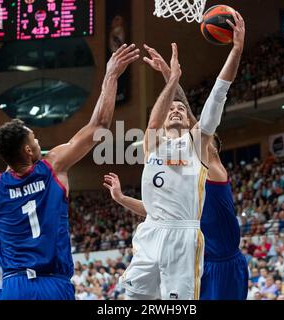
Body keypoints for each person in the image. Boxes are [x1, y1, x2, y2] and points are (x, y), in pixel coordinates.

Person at [104, 11, 246, 300]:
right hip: (163, 236)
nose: (178, 110)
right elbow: (155, 210)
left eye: (181, 109)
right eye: (173, 109)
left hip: (214, 256)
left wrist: (236, 50)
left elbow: (214, 101)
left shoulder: (202, 148)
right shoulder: (153, 146)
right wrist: (120, 199)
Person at [0, 44, 139, 300]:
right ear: (28, 151)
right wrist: (111, 76)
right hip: (52, 284)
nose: (38, 141)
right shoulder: (52, 166)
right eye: (34, 139)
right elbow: (99, 125)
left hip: (12, 285)